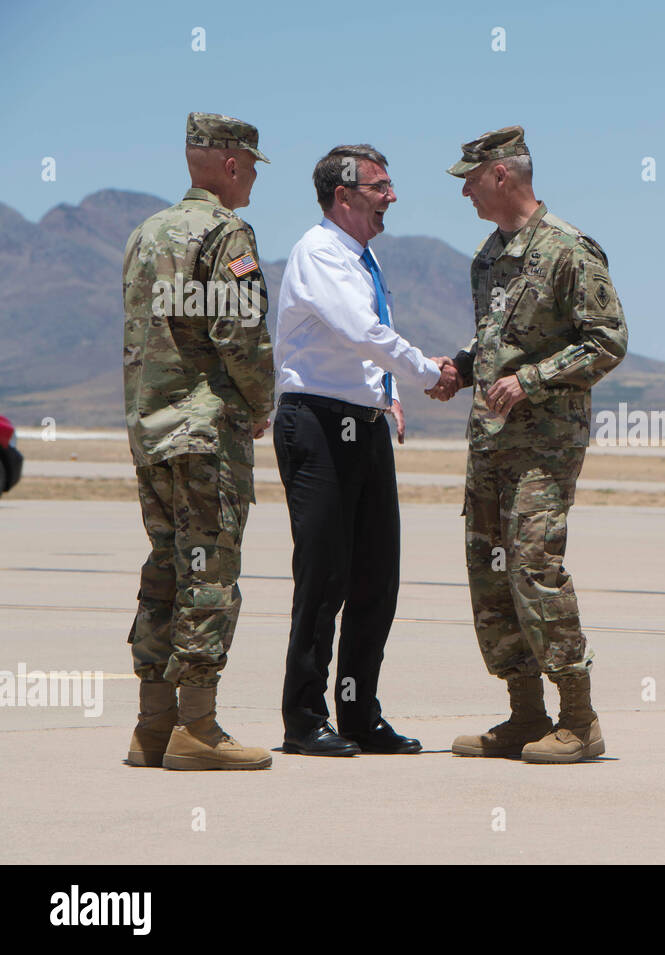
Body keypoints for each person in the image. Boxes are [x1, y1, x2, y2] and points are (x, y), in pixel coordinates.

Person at [435, 126, 627, 763]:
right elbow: (498, 342)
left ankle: (579, 718)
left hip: (544, 444)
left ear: (501, 176)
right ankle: (524, 713)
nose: (463, 190)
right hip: (489, 442)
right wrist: (464, 366)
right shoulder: (488, 255)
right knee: (489, 574)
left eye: (469, 178)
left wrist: (534, 380)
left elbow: (608, 341)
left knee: (534, 569)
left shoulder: (569, 250)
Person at [274, 144, 450, 756]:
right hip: (318, 424)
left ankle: (357, 714)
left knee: (377, 576)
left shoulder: (362, 258)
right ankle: (302, 719)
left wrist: (390, 394)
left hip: (363, 422)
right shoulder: (321, 252)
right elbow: (362, 331)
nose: (391, 197)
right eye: (380, 186)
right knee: (325, 576)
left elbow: (363, 348)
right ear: (343, 196)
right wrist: (432, 374)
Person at [122, 111, 274, 770]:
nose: (250, 182)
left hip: (151, 430)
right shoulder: (225, 233)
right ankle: (198, 727)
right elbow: (238, 332)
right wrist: (261, 399)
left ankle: (152, 726)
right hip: (204, 431)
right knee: (209, 573)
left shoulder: (145, 233)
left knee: (164, 571)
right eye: (249, 168)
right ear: (232, 163)